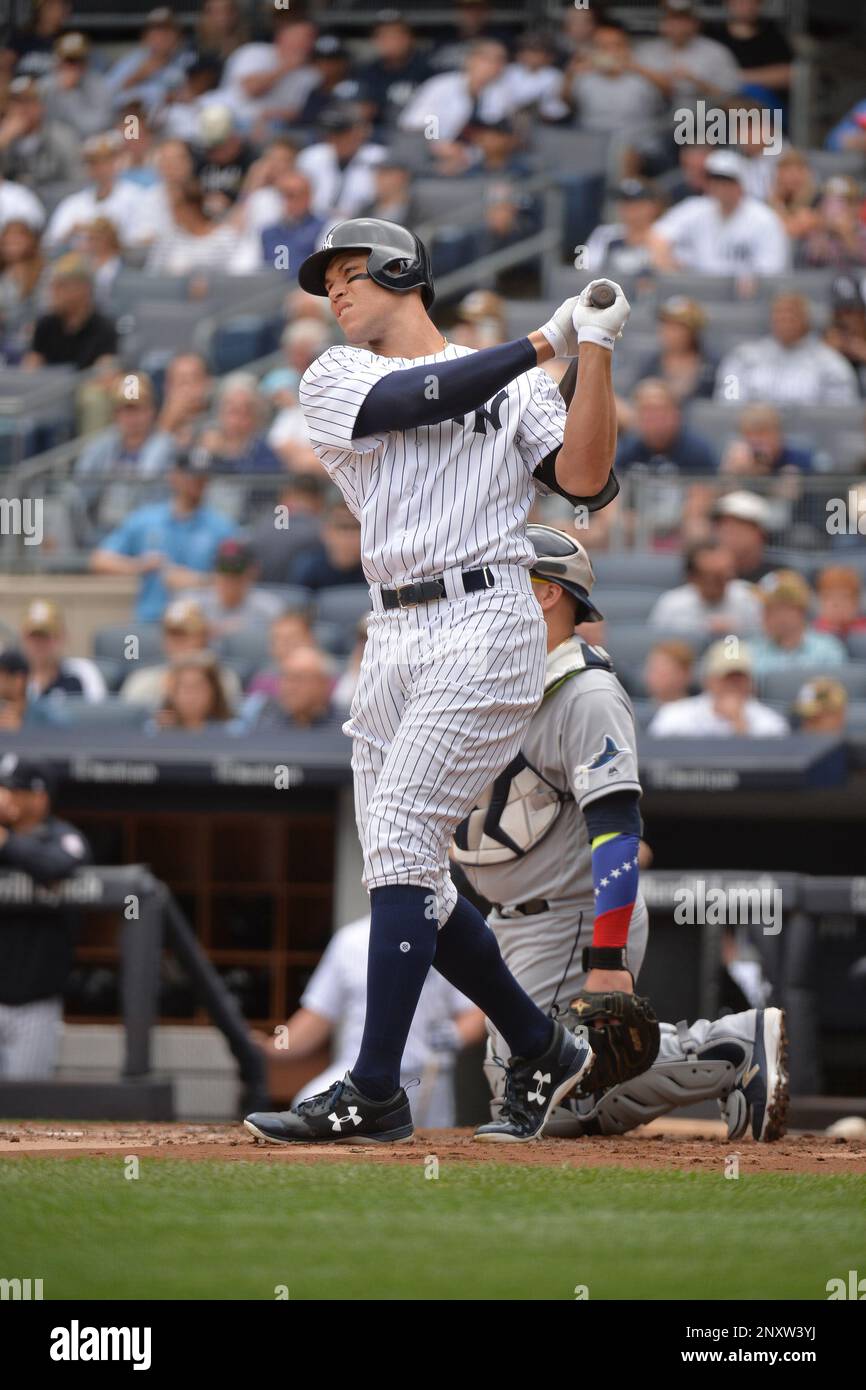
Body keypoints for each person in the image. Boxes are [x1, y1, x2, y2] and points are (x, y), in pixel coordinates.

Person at [243, 214, 624, 1145]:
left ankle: (375, 1089)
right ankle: (541, 1044)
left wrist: (597, 352)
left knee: (407, 833)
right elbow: (422, 396)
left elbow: (584, 479)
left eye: (348, 272)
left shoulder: (523, 383)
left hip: (487, 614)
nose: (332, 291)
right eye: (325, 279)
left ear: (404, 268)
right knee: (407, 868)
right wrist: (545, 341)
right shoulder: (335, 376)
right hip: (391, 630)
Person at [450, 526, 787, 1141]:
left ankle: (723, 1048)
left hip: (573, 914)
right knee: (566, 1100)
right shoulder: (496, 680)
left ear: (548, 593)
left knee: (536, 1096)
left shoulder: (588, 692)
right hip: (513, 916)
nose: (482, 595)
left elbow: (617, 830)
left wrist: (608, 958)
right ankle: (732, 1049)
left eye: (502, 578)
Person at [275, 914, 483, 1128]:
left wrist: (456, 1034)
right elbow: (318, 1014)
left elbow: (474, 1013)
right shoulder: (350, 940)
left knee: (427, 1146)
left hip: (425, 1076)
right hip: (356, 1074)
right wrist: (268, 1048)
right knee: (305, 1103)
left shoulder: (443, 939)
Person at [0, 756, 92, 1079]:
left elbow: (59, 864)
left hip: (35, 1006)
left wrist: (8, 842)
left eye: (14, 790)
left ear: (39, 797)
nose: (5, 796)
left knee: (24, 1111)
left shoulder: (63, 836)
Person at [89, 449, 236, 622]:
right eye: (191, 476)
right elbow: (99, 560)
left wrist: (199, 581)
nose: (198, 482)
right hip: (152, 620)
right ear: (174, 476)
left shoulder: (222, 527)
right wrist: (138, 565)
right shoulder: (145, 520)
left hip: (199, 626)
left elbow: (238, 578)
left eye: (203, 477)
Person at [649, 150, 789, 276]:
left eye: (727, 181)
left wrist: (753, 277)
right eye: (715, 180)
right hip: (700, 293)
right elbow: (657, 236)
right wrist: (668, 268)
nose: (720, 187)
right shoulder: (696, 208)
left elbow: (772, 270)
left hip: (745, 299)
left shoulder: (763, 218)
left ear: (741, 184)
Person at [715, 291, 860, 407]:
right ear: (771, 319)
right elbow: (728, 397)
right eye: (780, 314)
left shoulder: (831, 362)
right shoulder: (742, 357)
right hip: (754, 434)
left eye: (792, 314)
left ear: (806, 319)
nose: (785, 319)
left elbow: (841, 409)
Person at [73, 372, 177, 534]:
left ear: (152, 411)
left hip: (150, 533)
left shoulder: (167, 446)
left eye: (138, 410)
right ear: (116, 414)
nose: (132, 418)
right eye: (126, 410)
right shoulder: (101, 446)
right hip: (104, 530)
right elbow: (82, 490)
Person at [648, 639, 789, 737]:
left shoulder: (770, 723)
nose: (732, 685)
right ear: (709, 681)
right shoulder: (674, 715)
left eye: (739, 678)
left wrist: (739, 723)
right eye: (726, 678)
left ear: (751, 683)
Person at [120, 597, 240, 711]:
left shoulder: (223, 681)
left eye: (185, 634)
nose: (178, 643)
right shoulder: (141, 682)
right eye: (172, 635)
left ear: (204, 637)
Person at [43, 131, 144, 253]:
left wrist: (109, 237)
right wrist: (70, 232)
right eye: (93, 163)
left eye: (106, 161)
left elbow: (142, 241)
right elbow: (49, 245)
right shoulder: (73, 203)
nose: (100, 168)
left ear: (116, 162)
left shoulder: (136, 196)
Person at [398, 39, 516, 143]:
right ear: (470, 60)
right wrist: (437, 145)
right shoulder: (442, 85)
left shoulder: (502, 93)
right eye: (486, 59)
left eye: (500, 60)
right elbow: (424, 119)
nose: (493, 65)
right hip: (427, 147)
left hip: (470, 155)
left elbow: (497, 132)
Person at [634, 0, 742, 106]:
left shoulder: (716, 52)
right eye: (672, 20)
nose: (678, 27)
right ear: (662, 23)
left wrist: (697, 82)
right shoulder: (645, 52)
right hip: (653, 118)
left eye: (684, 20)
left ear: (696, 23)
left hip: (704, 117)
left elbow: (732, 96)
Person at [649, 540, 762, 636]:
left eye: (726, 573)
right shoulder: (672, 604)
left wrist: (737, 630)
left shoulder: (749, 597)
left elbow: (764, 643)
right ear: (692, 577)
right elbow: (657, 645)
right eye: (713, 576)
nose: (722, 582)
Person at [24, 255, 117, 370]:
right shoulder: (45, 325)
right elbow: (31, 367)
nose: (53, 292)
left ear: (84, 289)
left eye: (61, 286)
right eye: (53, 286)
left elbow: (106, 370)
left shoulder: (103, 328)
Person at [297, 104, 388, 221]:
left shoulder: (379, 158)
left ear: (360, 132)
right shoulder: (311, 156)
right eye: (332, 133)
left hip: (361, 224)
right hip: (313, 224)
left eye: (343, 132)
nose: (336, 138)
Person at [750, 570, 848, 677]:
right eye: (765, 609)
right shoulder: (753, 652)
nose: (765, 616)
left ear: (798, 610)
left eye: (773, 609)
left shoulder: (828, 649)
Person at [183, 537, 284, 637]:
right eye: (223, 570)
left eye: (236, 572)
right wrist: (203, 632)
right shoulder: (193, 604)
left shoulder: (269, 609)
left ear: (252, 572)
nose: (229, 578)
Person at [615, 378, 718, 475]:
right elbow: (618, 489)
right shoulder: (628, 451)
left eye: (660, 412)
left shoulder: (697, 452)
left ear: (677, 414)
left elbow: (710, 488)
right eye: (646, 412)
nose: (654, 419)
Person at [0, 74, 83, 189]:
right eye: (16, 102)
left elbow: (77, 183)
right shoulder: (5, 138)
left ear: (41, 106)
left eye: (28, 101)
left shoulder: (61, 137)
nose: (22, 109)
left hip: (53, 203)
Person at [104, 7, 192, 115]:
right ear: (146, 36)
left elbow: (191, 95)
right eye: (156, 31)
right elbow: (105, 95)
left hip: (173, 118)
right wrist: (137, 76)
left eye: (167, 31)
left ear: (178, 36)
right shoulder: (133, 61)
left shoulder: (186, 60)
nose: (162, 37)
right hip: (136, 118)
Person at [353, 14, 432, 130]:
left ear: (408, 38)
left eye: (395, 35)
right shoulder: (366, 72)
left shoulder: (427, 69)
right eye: (383, 36)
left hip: (417, 134)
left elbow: (435, 114)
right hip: (377, 136)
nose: (389, 41)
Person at [633, 296, 716, 403]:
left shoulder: (711, 365)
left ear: (693, 331)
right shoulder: (650, 363)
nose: (668, 332)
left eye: (677, 327)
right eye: (665, 325)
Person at [20, 600, 105, 704]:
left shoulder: (82, 672)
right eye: (34, 636)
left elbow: (98, 714)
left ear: (63, 637)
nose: (40, 643)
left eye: (47, 636)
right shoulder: (9, 676)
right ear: (23, 638)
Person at [707, 0, 793, 103]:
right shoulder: (714, 37)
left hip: (764, 105)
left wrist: (735, 77)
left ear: (759, 5)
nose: (746, 7)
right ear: (728, 4)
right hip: (720, 104)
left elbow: (788, 75)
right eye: (740, 2)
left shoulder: (773, 37)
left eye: (751, 2)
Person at [240, 645, 338, 734]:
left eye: (298, 678)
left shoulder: (346, 728)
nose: (289, 687)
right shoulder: (263, 720)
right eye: (285, 677)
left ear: (322, 683)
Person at [197, 373, 283, 473]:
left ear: (258, 417)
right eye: (232, 411)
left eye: (245, 413)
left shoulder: (268, 448)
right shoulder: (207, 443)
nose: (236, 421)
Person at [248, 474, 326, 583]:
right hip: (303, 597)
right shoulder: (321, 529)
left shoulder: (263, 523)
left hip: (262, 593)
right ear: (319, 500)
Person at [583, 179, 665, 280]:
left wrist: (654, 243)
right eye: (624, 203)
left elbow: (673, 278)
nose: (629, 209)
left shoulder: (667, 234)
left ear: (653, 206)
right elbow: (587, 273)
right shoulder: (604, 234)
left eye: (637, 203)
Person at [39, 31, 112, 140]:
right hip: (53, 145)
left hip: (88, 142)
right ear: (58, 61)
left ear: (86, 62)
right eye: (69, 60)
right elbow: (42, 123)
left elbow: (99, 125)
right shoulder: (45, 86)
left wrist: (68, 94)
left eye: (78, 60)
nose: (74, 66)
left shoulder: (97, 84)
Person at [259, 170, 325, 276]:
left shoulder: (324, 227)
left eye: (299, 194)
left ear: (309, 196)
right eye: (286, 195)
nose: (291, 201)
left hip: (304, 288)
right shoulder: (266, 232)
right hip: (270, 288)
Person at [0, 219, 47, 364]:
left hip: (34, 339)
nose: (12, 243)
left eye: (18, 238)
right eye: (8, 239)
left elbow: (46, 308)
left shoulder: (43, 273)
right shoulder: (4, 275)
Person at [290, 500, 365, 590]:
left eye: (357, 528)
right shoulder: (308, 568)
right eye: (343, 527)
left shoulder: (377, 571)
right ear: (326, 531)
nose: (350, 536)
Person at [149, 653, 233, 732]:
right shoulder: (155, 730)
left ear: (214, 691)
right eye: (184, 687)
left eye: (197, 687)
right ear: (173, 692)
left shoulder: (232, 731)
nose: (191, 695)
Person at [712, 490, 774, 583]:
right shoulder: (705, 576)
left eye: (736, 526)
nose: (725, 532)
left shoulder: (779, 577)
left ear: (759, 533)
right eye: (721, 524)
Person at [813, 566, 866, 643]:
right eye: (830, 597)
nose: (837, 604)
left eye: (844, 597)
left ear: (856, 602)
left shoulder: (863, 631)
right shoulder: (812, 634)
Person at [643, 638, 695, 707]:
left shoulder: (696, 713)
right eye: (652, 669)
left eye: (661, 671)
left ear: (684, 674)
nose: (654, 676)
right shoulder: (633, 711)